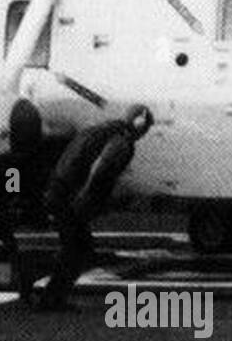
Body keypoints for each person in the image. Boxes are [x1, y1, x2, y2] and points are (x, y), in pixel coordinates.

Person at [22, 104, 155, 311]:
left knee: (77, 248)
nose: (145, 134)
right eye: (146, 129)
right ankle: (40, 288)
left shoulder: (103, 129)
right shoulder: (123, 141)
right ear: (140, 125)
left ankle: (49, 295)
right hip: (70, 196)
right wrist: (84, 195)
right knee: (78, 249)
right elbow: (99, 167)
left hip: (59, 189)